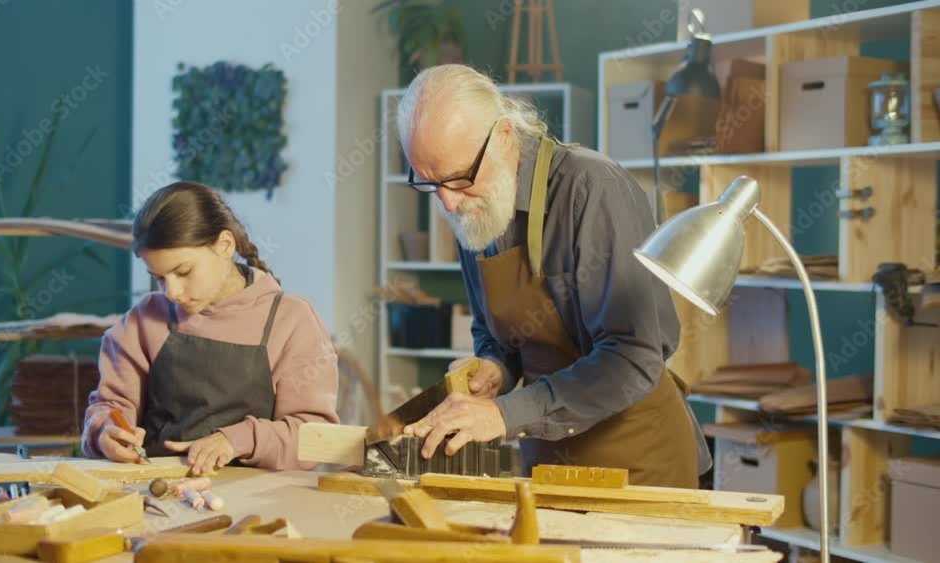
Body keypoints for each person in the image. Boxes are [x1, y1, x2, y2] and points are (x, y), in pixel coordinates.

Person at [396, 65, 711, 487]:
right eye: (430, 184)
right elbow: (494, 335)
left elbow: (632, 356)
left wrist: (505, 413)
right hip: (548, 461)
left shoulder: (591, 189)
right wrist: (494, 367)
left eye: (457, 179)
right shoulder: (472, 207)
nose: (448, 203)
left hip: (639, 460)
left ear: (504, 136)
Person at [81, 181, 339, 474]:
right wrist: (105, 432)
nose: (172, 292)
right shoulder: (143, 320)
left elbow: (314, 438)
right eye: (159, 278)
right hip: (158, 492)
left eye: (183, 272)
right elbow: (109, 406)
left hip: (259, 505)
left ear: (225, 245)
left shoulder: (292, 320)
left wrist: (238, 439)